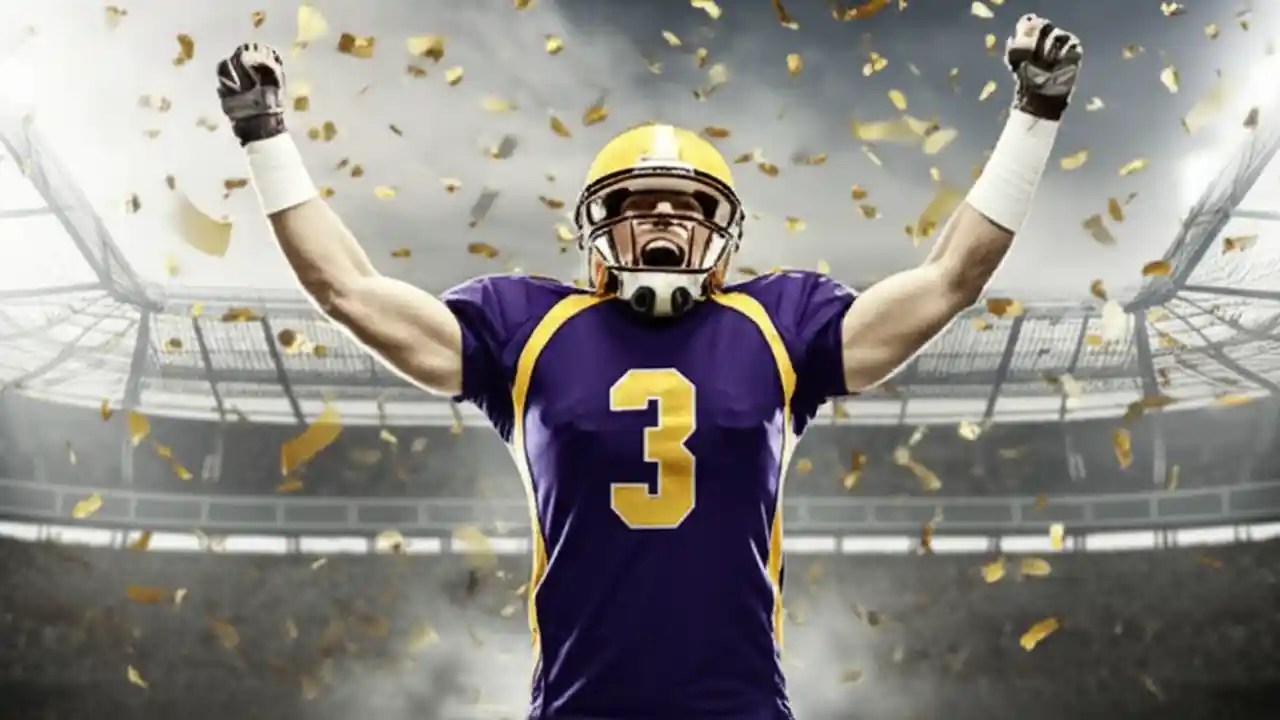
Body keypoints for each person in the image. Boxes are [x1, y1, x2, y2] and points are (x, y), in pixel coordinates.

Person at [215, 13, 1082, 719]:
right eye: (639, 202)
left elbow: (948, 280)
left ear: (723, 232)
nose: (665, 216)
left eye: (689, 204)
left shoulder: (781, 325)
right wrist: (265, 136)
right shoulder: (526, 329)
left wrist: (1034, 115)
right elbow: (349, 290)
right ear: (596, 226)